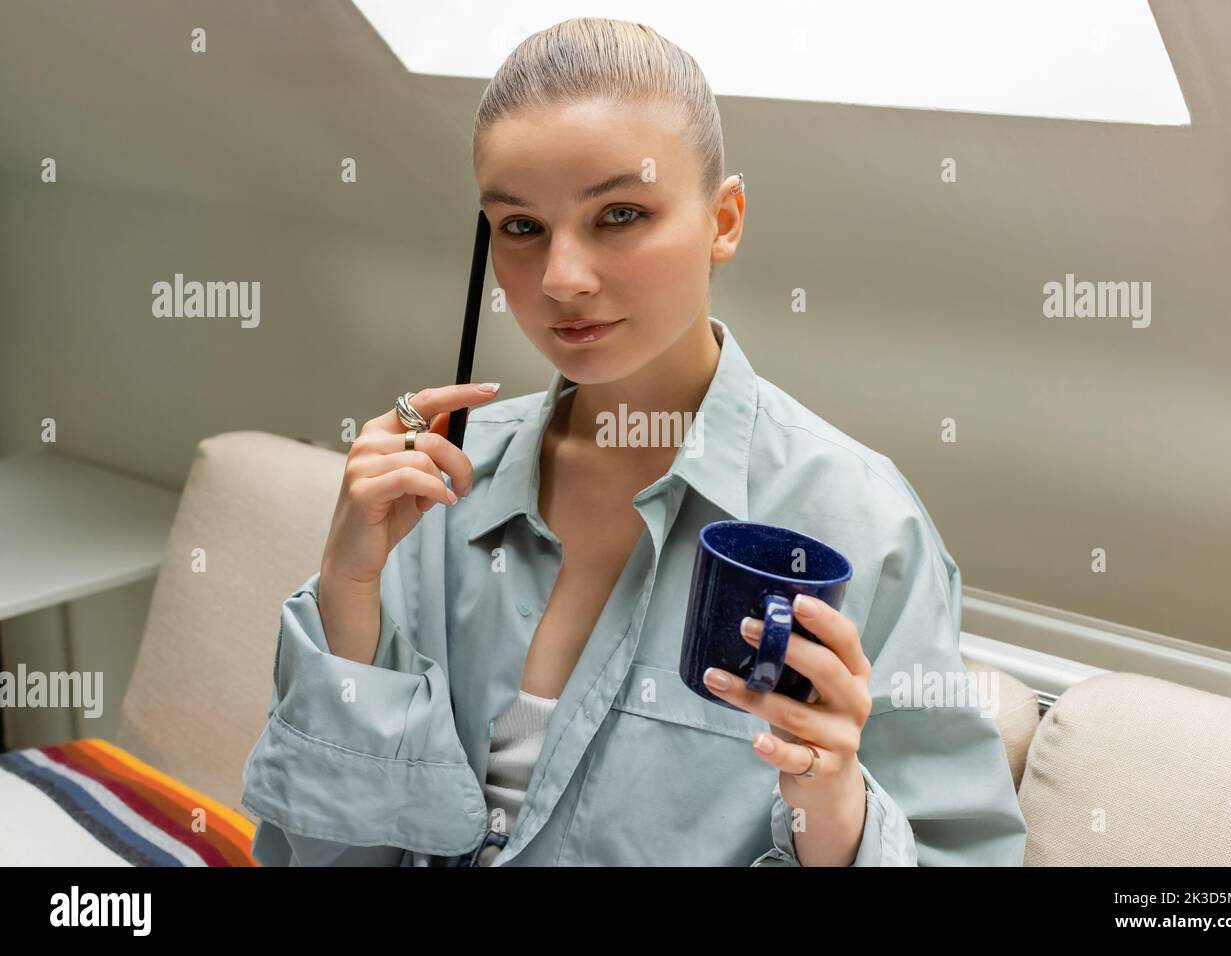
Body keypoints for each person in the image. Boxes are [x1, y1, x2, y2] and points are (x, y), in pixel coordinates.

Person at [241, 17, 1028, 867]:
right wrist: (347, 595)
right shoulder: (434, 488)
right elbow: (317, 855)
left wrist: (831, 804)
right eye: (519, 226)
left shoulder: (862, 526)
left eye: (619, 214)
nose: (561, 280)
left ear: (723, 220)